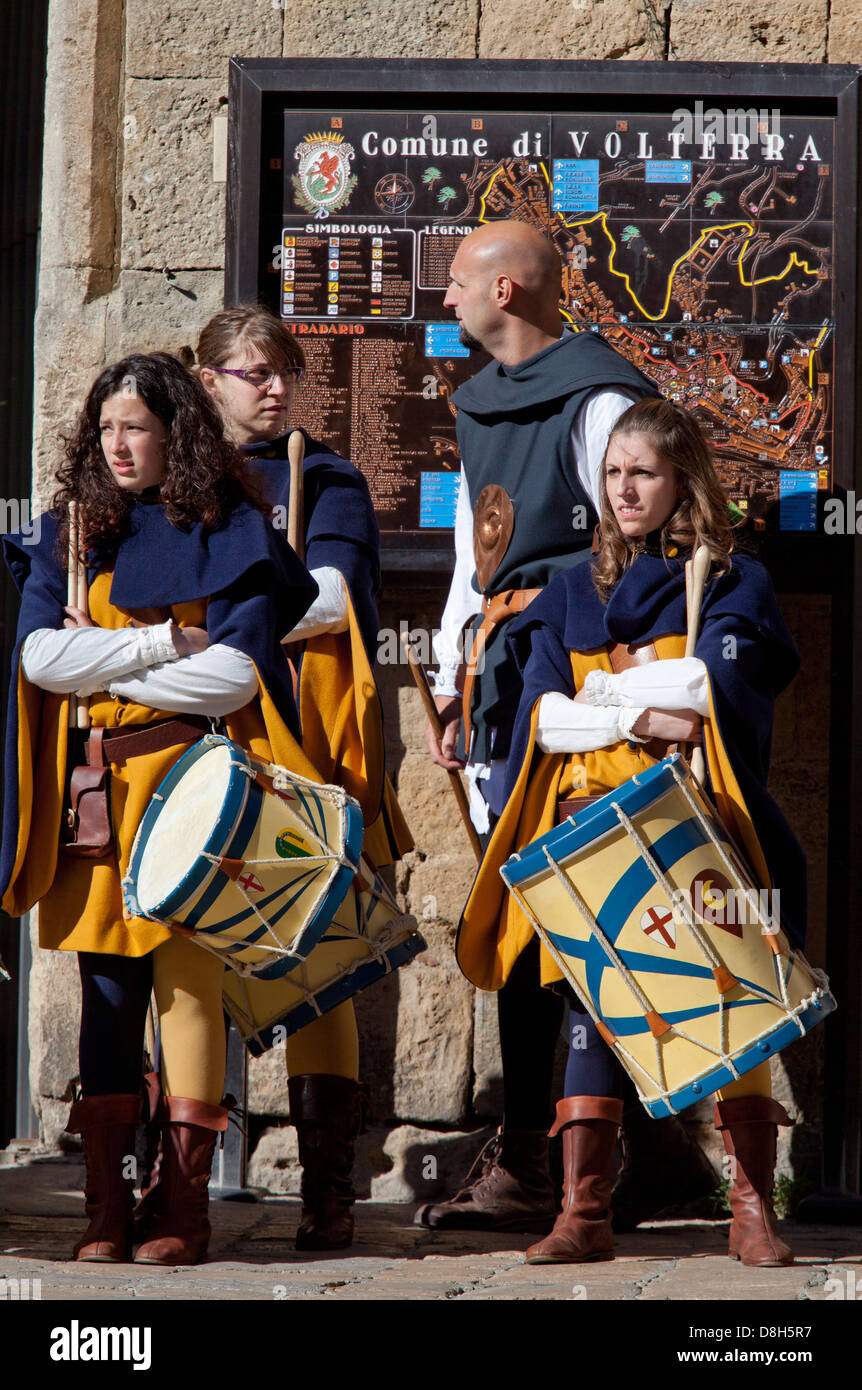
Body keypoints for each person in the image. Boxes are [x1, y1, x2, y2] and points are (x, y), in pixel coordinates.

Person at [418, 221, 715, 1233]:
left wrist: (616, 696)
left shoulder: (599, 399)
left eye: (455, 282)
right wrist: (456, 673)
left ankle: (631, 1144)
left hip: (583, 682)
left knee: (601, 904)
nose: (442, 298)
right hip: (506, 673)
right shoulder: (478, 402)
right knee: (523, 905)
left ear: (504, 290)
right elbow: (476, 553)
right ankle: (545, 1152)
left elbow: (633, 545)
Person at [459, 397, 803, 1266]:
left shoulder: (730, 581)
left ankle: (752, 1209)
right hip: (590, 832)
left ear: (682, 477)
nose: (625, 489)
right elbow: (542, 722)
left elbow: (706, 691)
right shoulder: (572, 587)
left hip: (690, 825)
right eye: (613, 473)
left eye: (643, 472)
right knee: (593, 1006)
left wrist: (605, 702)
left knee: (729, 995)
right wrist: (638, 713)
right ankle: (584, 1212)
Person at [0, 352, 320, 1265]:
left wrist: (98, 647)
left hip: (189, 794)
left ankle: (182, 1209)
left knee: (188, 995)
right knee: (106, 1001)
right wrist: (155, 641)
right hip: (99, 797)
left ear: (174, 431)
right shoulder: (68, 536)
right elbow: (37, 663)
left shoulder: (230, 530)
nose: (118, 444)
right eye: (105, 429)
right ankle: (105, 1210)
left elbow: (230, 676)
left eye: (134, 426)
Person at [196, 305, 412, 1250]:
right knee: (194, 952)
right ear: (209, 384)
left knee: (321, 955)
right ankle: (176, 1189)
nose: (275, 387)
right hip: (197, 742)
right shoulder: (183, 477)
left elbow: (329, 602)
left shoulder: (324, 477)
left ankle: (328, 1194)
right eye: (254, 373)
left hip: (300, 746)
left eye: (283, 371)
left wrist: (210, 626)